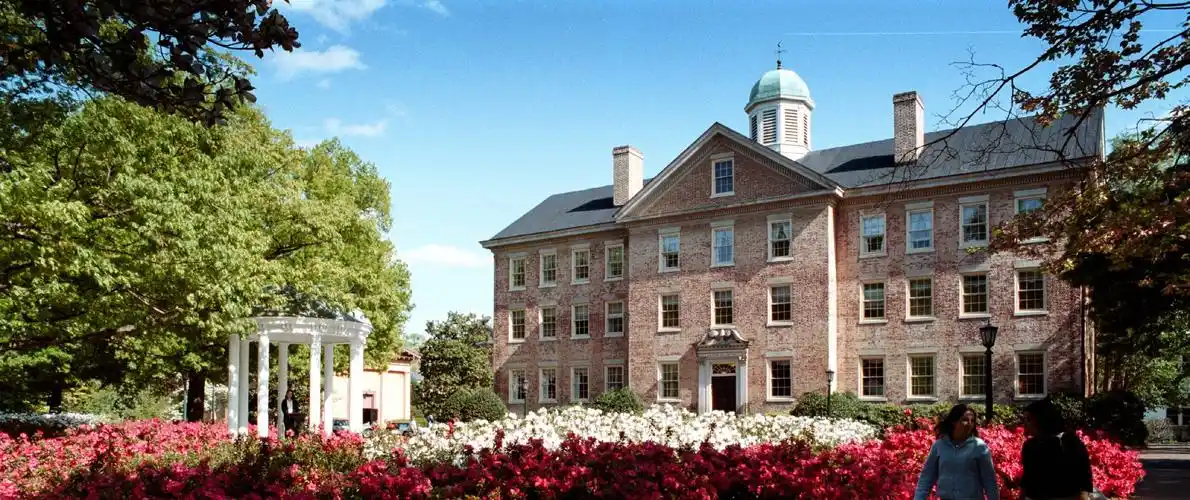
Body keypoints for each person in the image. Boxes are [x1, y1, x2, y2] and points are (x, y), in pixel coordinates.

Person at [914, 404, 1000, 500]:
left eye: (972, 421)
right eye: (964, 420)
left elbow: (990, 482)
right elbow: (926, 478)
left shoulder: (979, 447)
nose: (969, 424)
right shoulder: (939, 446)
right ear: (953, 422)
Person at [1020, 398, 1095, 500]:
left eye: (1028, 420)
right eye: (1024, 420)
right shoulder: (1030, 446)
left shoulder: (1072, 443)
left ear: (1042, 419)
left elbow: (1084, 479)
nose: (1025, 425)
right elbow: (1028, 481)